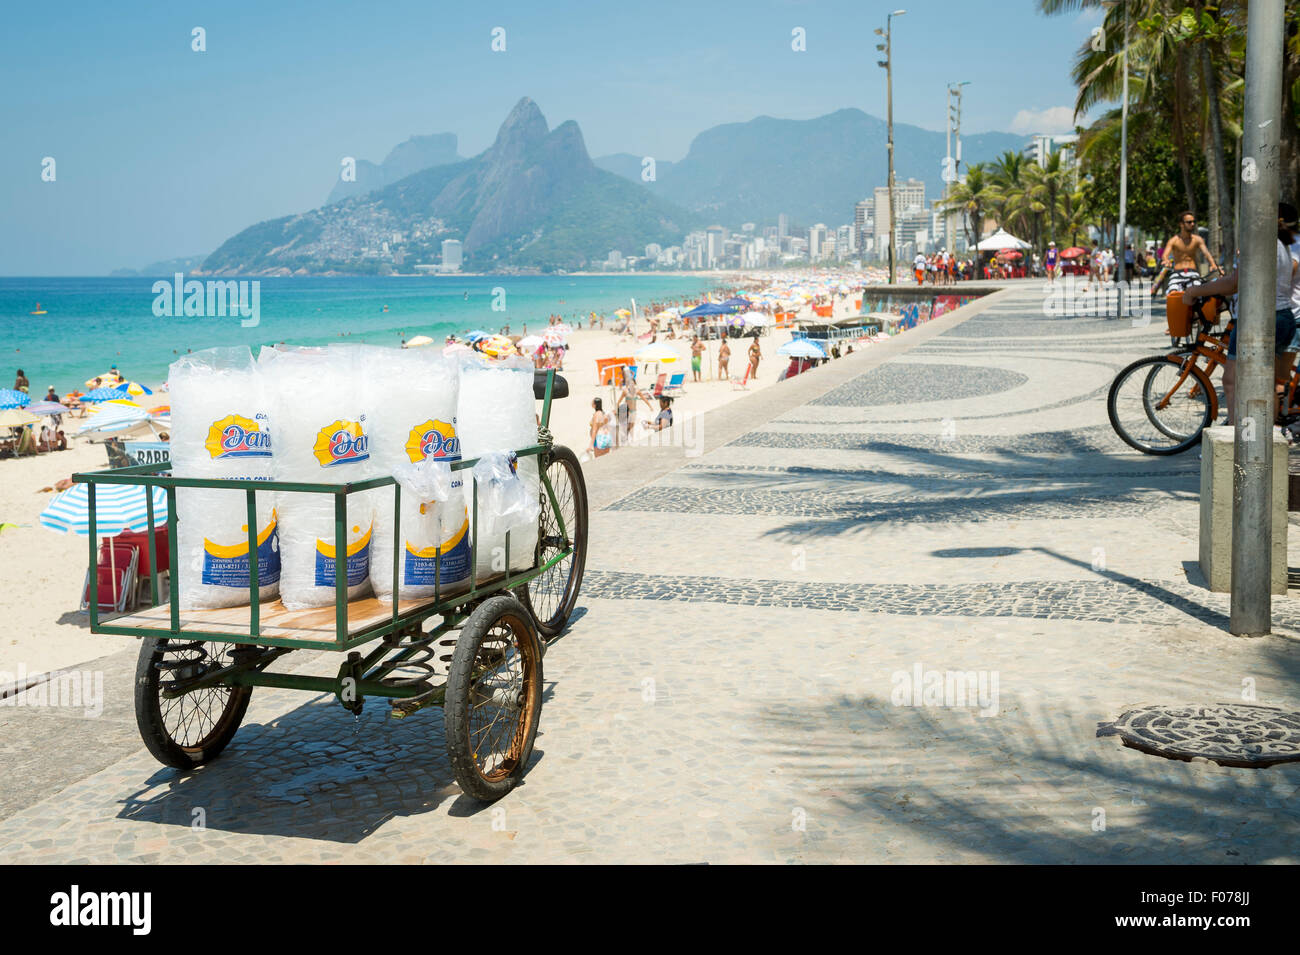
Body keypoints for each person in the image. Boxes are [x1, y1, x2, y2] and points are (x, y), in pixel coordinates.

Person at [1183, 202, 1299, 426]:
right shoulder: (1282, 244)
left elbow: (1234, 283)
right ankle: (1267, 441)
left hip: (1258, 320)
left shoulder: (1259, 244)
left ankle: (1237, 442)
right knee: (1267, 384)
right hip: (1284, 318)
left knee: (1232, 381)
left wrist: (1194, 291)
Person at [1156, 211, 1221, 296]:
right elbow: (1165, 255)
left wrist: (1213, 264)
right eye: (1189, 222)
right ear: (1181, 224)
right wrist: (1166, 261)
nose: (1192, 224)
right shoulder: (1174, 241)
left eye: (1194, 222)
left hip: (1193, 273)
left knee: (1198, 295)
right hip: (1177, 273)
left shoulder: (1197, 240)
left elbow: (1207, 253)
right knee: (1173, 294)